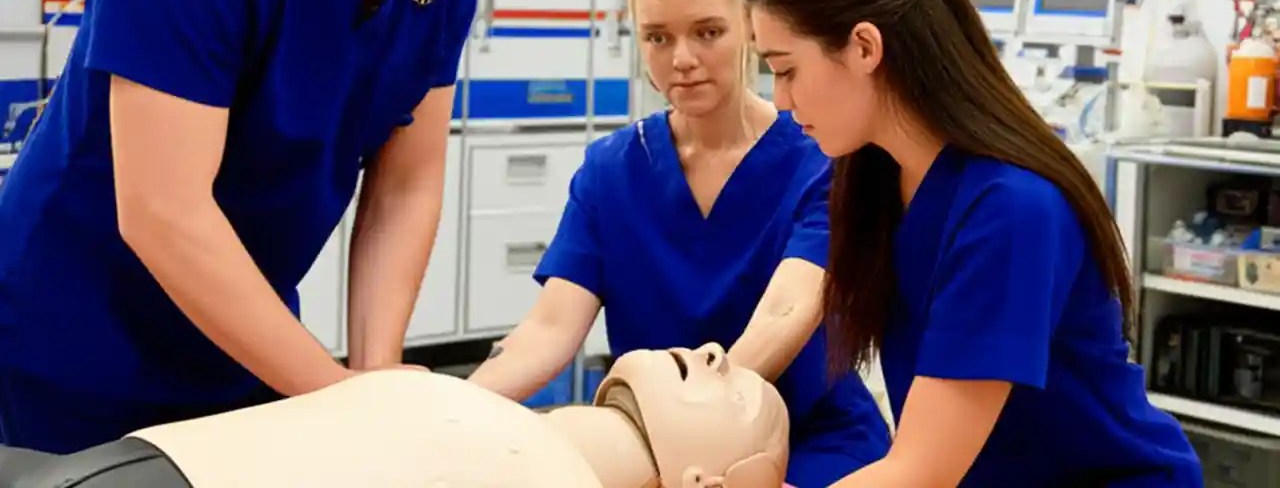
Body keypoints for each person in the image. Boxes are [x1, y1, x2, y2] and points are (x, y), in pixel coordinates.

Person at [0, 0, 564, 455]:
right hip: (76, 346)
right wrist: (335, 394)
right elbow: (163, 212)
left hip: (243, 347)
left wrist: (376, 371)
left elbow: (406, 180)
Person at [746, 0, 1205, 487]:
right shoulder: (869, 182)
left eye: (786, 70)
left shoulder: (1009, 211)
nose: (782, 101)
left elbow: (920, 472)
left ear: (864, 46)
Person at [467, 0, 891, 487]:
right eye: (658, 37)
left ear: (750, 26)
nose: (682, 60)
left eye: (708, 32)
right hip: (658, 446)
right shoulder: (612, 171)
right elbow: (549, 330)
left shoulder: (819, 159)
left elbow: (788, 310)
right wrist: (450, 412)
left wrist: (688, 431)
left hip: (807, 443)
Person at [0, 343, 789, 488]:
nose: (720, 351)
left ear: (703, 481)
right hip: (140, 458)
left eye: (740, 395)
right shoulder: (504, 425)